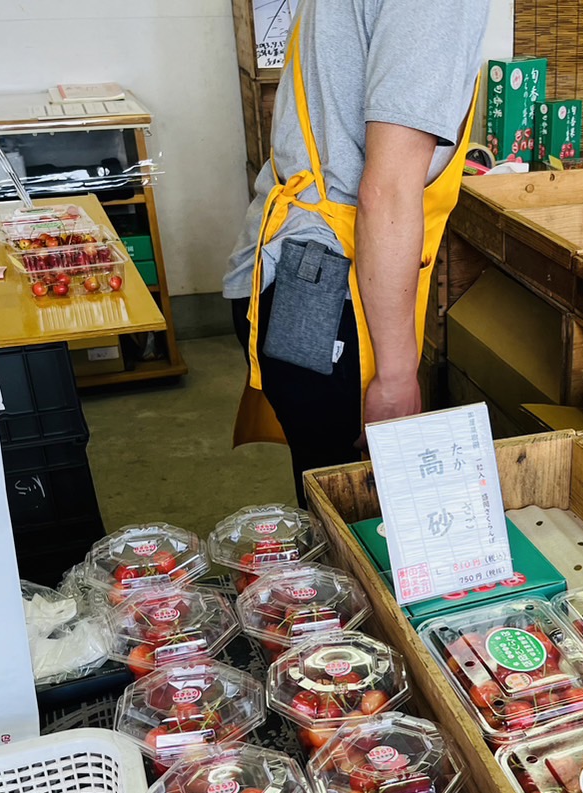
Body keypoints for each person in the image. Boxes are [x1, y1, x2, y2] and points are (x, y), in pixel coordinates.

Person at [224, 0, 489, 504]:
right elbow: (386, 192)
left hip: (290, 266)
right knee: (356, 507)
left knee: (324, 485)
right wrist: (394, 375)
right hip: (333, 288)